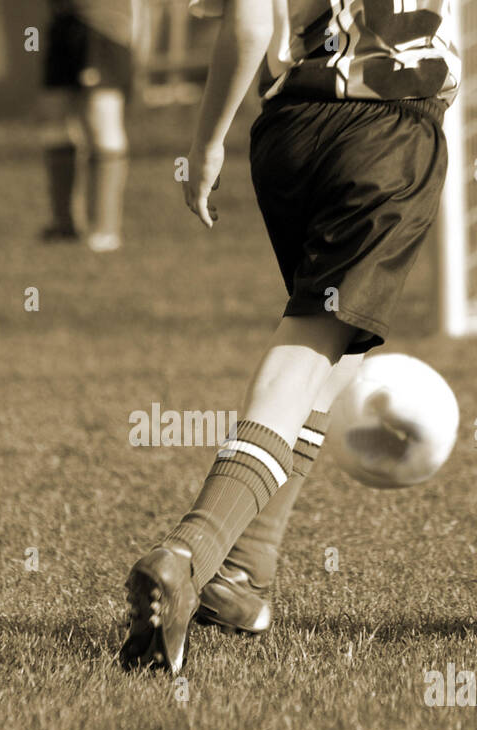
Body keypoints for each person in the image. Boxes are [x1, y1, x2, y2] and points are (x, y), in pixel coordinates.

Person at [118, 0, 458, 672]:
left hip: (289, 134)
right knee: (309, 346)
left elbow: (245, 22)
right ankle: (190, 556)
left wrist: (205, 141)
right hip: (392, 132)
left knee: (333, 349)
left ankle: (242, 575)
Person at [40, 0, 135, 252]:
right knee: (54, 123)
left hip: (103, 26)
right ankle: (64, 224)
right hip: (63, 21)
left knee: (102, 123)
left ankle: (106, 230)